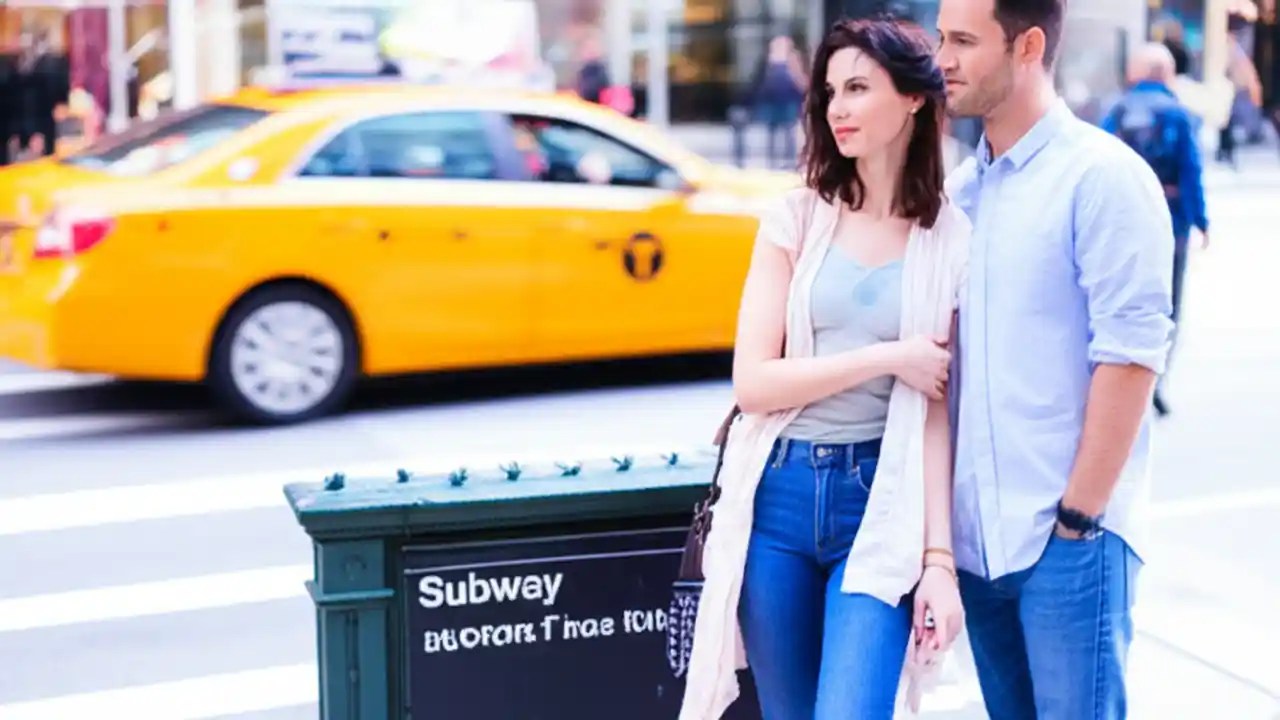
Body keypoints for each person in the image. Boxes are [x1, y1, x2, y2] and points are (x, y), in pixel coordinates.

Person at [680, 17, 972, 720]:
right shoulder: (797, 218)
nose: (837, 106)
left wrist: (939, 561)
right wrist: (885, 357)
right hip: (777, 496)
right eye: (831, 90)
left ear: (912, 100)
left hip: (880, 497)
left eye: (859, 88)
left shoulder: (949, 237)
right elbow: (754, 383)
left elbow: (934, 407)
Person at [936, 0, 1175, 718]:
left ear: (1028, 45)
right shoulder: (961, 193)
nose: (941, 57)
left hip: (1067, 543)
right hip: (979, 549)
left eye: (963, 41)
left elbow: (1131, 358)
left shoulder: (1101, 178)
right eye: (941, 37)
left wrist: (1077, 520)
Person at [1101, 42, 1209, 417]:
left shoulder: (1116, 110)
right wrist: (1200, 220)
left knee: (1115, 300)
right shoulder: (1178, 115)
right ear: (1165, 74)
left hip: (1120, 221)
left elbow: (1095, 163)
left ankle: (1116, 382)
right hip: (1171, 219)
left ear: (1135, 73)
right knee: (1167, 304)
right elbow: (1191, 170)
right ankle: (1154, 381)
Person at [753, 35, 809, 170]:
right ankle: (772, 162)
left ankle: (789, 162)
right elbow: (761, 83)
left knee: (788, 133)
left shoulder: (792, 60)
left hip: (788, 101)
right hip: (772, 103)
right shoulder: (767, 62)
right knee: (772, 133)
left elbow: (801, 82)